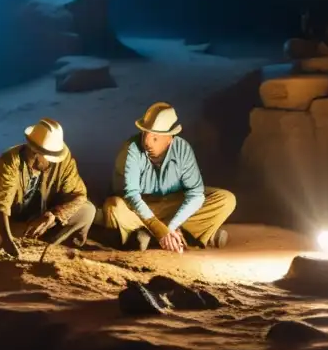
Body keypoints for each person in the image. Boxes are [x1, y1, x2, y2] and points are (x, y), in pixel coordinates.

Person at [100, 102, 235, 252]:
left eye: (155, 138)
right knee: (113, 207)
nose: (147, 142)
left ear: (169, 138)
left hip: (171, 205)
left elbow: (195, 194)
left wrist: (171, 226)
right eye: (145, 133)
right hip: (137, 209)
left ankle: (150, 237)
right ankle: (188, 237)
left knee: (225, 200)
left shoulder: (182, 149)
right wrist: (160, 230)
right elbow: (132, 196)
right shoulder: (131, 149)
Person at [0, 118, 96, 257]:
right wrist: (7, 241)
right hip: (16, 220)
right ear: (34, 152)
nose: (52, 163)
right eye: (49, 158)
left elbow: (79, 195)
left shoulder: (63, 158)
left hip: (43, 216)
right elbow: (1, 205)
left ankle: (46, 244)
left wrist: (54, 215)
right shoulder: (10, 161)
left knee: (88, 211)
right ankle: (8, 239)